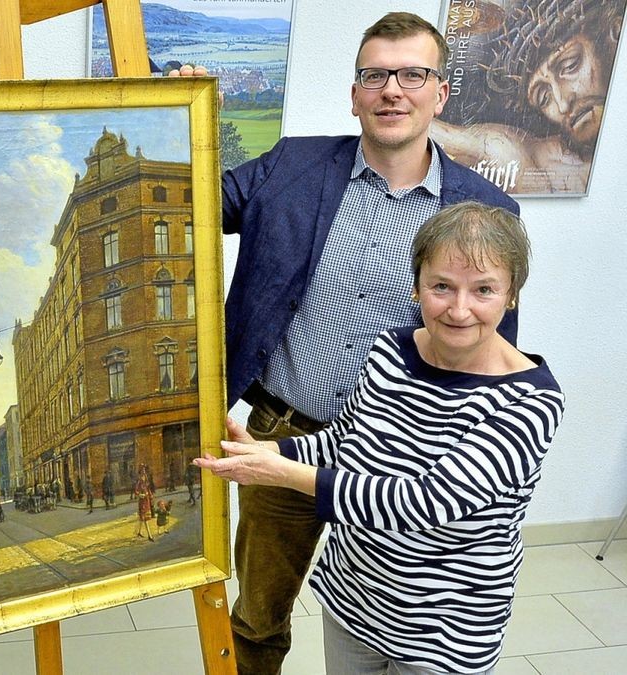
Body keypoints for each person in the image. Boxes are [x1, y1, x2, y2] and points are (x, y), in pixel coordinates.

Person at [210, 12, 520, 674]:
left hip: (400, 453)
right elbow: (196, 202)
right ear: (354, 92)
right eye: (374, 74)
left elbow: (491, 365)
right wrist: (174, 111)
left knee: (386, 624)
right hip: (281, 436)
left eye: (413, 74)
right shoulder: (291, 164)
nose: (391, 90)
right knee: (259, 614)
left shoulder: (485, 212)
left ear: (440, 93)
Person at [197, 201, 564, 674]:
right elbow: (349, 437)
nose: (459, 309)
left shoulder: (530, 401)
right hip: (355, 604)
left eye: (484, 290)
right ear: (416, 286)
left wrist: (282, 472)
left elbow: (426, 502)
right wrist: (270, 449)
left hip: (445, 633)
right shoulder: (391, 350)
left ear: (511, 295)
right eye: (441, 286)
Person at [431, 0, 622, 194]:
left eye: (569, 66)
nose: (563, 104)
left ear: (612, 37)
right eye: (543, 97)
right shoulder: (545, 160)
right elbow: (472, 143)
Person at [133, 467, 154, 542]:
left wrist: (151, 495)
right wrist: (139, 495)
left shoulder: (146, 481)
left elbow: (148, 489)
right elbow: (136, 491)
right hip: (142, 502)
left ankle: (138, 532)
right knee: (145, 519)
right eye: (142, 472)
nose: (144, 473)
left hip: (147, 500)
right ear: (140, 473)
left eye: (144, 472)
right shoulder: (139, 482)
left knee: (143, 518)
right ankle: (150, 535)